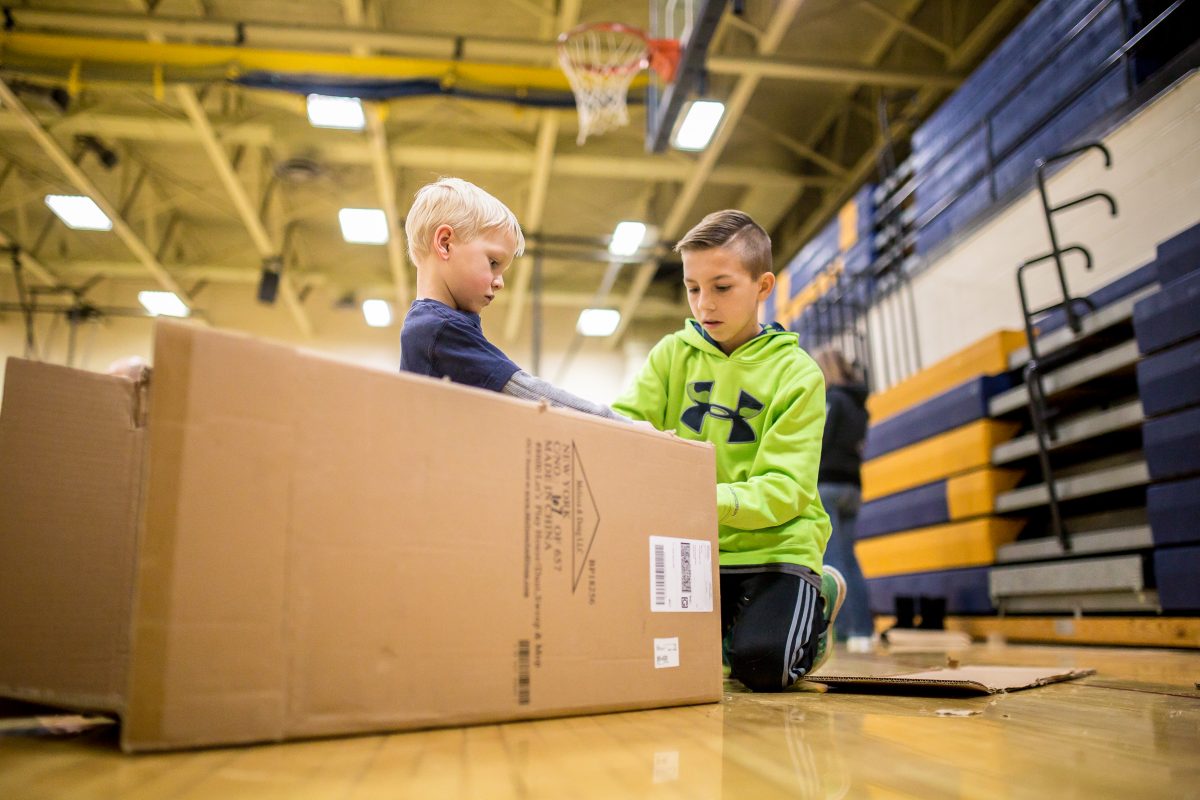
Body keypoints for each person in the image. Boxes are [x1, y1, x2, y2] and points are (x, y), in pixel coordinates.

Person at [612, 209, 844, 692]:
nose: (703, 305)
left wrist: (700, 499)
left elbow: (786, 489)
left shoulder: (797, 374)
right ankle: (732, 634)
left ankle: (818, 590)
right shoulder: (672, 355)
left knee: (764, 669)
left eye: (721, 287)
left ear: (763, 286)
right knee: (650, 658)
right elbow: (626, 429)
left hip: (777, 545)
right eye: (692, 288)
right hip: (694, 549)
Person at [400, 177, 627, 421]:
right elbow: (526, 392)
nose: (499, 282)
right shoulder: (438, 329)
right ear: (445, 243)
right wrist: (621, 425)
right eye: (493, 263)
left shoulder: (437, 326)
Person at [813, 347, 875, 652]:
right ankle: (863, 630)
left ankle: (846, 631)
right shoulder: (859, 405)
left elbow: (818, 441)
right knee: (849, 559)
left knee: (834, 561)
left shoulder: (831, 399)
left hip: (828, 485)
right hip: (853, 486)